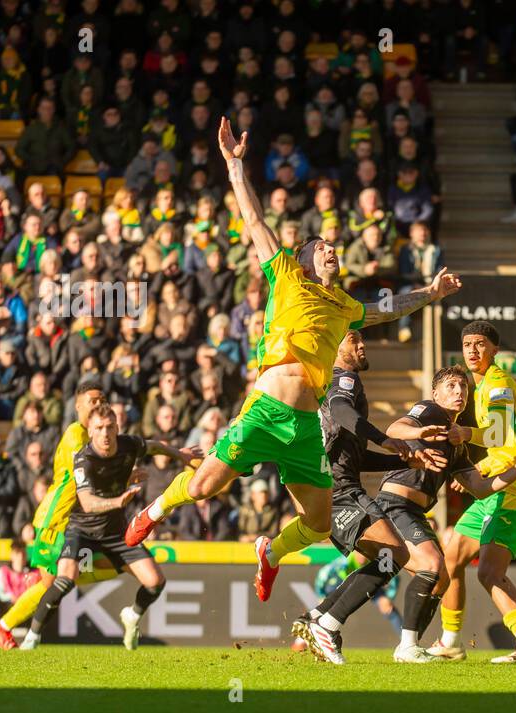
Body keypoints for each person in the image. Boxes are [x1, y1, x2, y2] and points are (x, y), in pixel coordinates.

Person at [124, 117, 461, 604]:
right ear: (303, 259)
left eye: (332, 246)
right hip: (266, 410)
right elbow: (255, 222)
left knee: (320, 523)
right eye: (321, 246)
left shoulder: (344, 305)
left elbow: (386, 309)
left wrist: (429, 292)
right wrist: (236, 168)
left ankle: (270, 552)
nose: (331, 249)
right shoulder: (284, 274)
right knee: (202, 488)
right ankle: (153, 512)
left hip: (306, 425)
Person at [298, 368, 516, 663]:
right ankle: (401, 645)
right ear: (435, 394)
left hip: (414, 511)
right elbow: (394, 429)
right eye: (451, 386)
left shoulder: (455, 444)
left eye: (463, 388)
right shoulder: (430, 412)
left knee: (433, 577)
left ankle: (322, 617)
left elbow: (480, 488)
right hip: (395, 503)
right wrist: (418, 433)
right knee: (428, 565)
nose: (459, 392)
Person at [0, 380, 197, 648]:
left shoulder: (103, 436)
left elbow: (136, 451)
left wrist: (163, 458)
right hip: (58, 518)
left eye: (101, 400)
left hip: (80, 520)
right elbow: (87, 473)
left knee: (60, 580)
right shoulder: (77, 436)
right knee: (56, 582)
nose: (98, 405)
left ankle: (9, 621)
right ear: (78, 407)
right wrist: (122, 479)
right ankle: (3, 626)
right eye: (92, 401)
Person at [291, 329, 446, 664]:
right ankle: (328, 625)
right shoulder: (343, 379)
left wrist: (403, 457)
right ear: (336, 348)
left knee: (386, 557)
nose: (362, 346)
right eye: (353, 341)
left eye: (362, 341)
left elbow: (355, 455)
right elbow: (346, 414)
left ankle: (318, 617)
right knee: (393, 553)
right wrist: (386, 440)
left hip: (330, 488)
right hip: (340, 491)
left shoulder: (331, 383)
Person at [432, 321, 516, 664]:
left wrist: (474, 458)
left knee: (489, 573)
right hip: (496, 486)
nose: (472, 350)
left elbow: (497, 438)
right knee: (451, 560)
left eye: (480, 344)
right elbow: (495, 436)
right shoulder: (480, 387)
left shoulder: (497, 384)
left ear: (495, 350)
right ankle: (451, 642)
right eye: (467, 344)